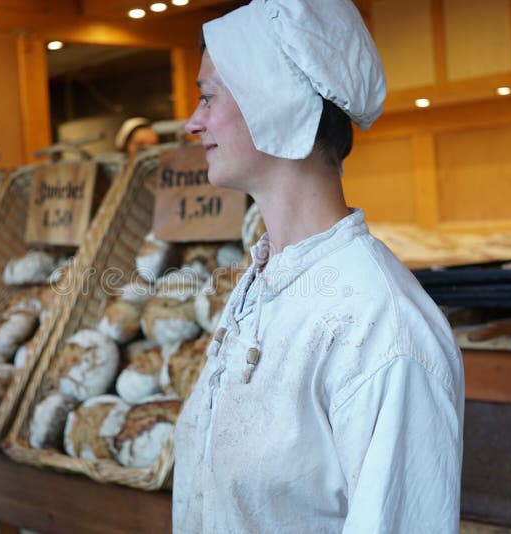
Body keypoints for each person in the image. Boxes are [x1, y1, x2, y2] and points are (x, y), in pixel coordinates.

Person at [173, 1, 465, 532]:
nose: (194, 122)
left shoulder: (381, 328)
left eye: (208, 96)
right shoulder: (263, 286)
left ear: (276, 102)